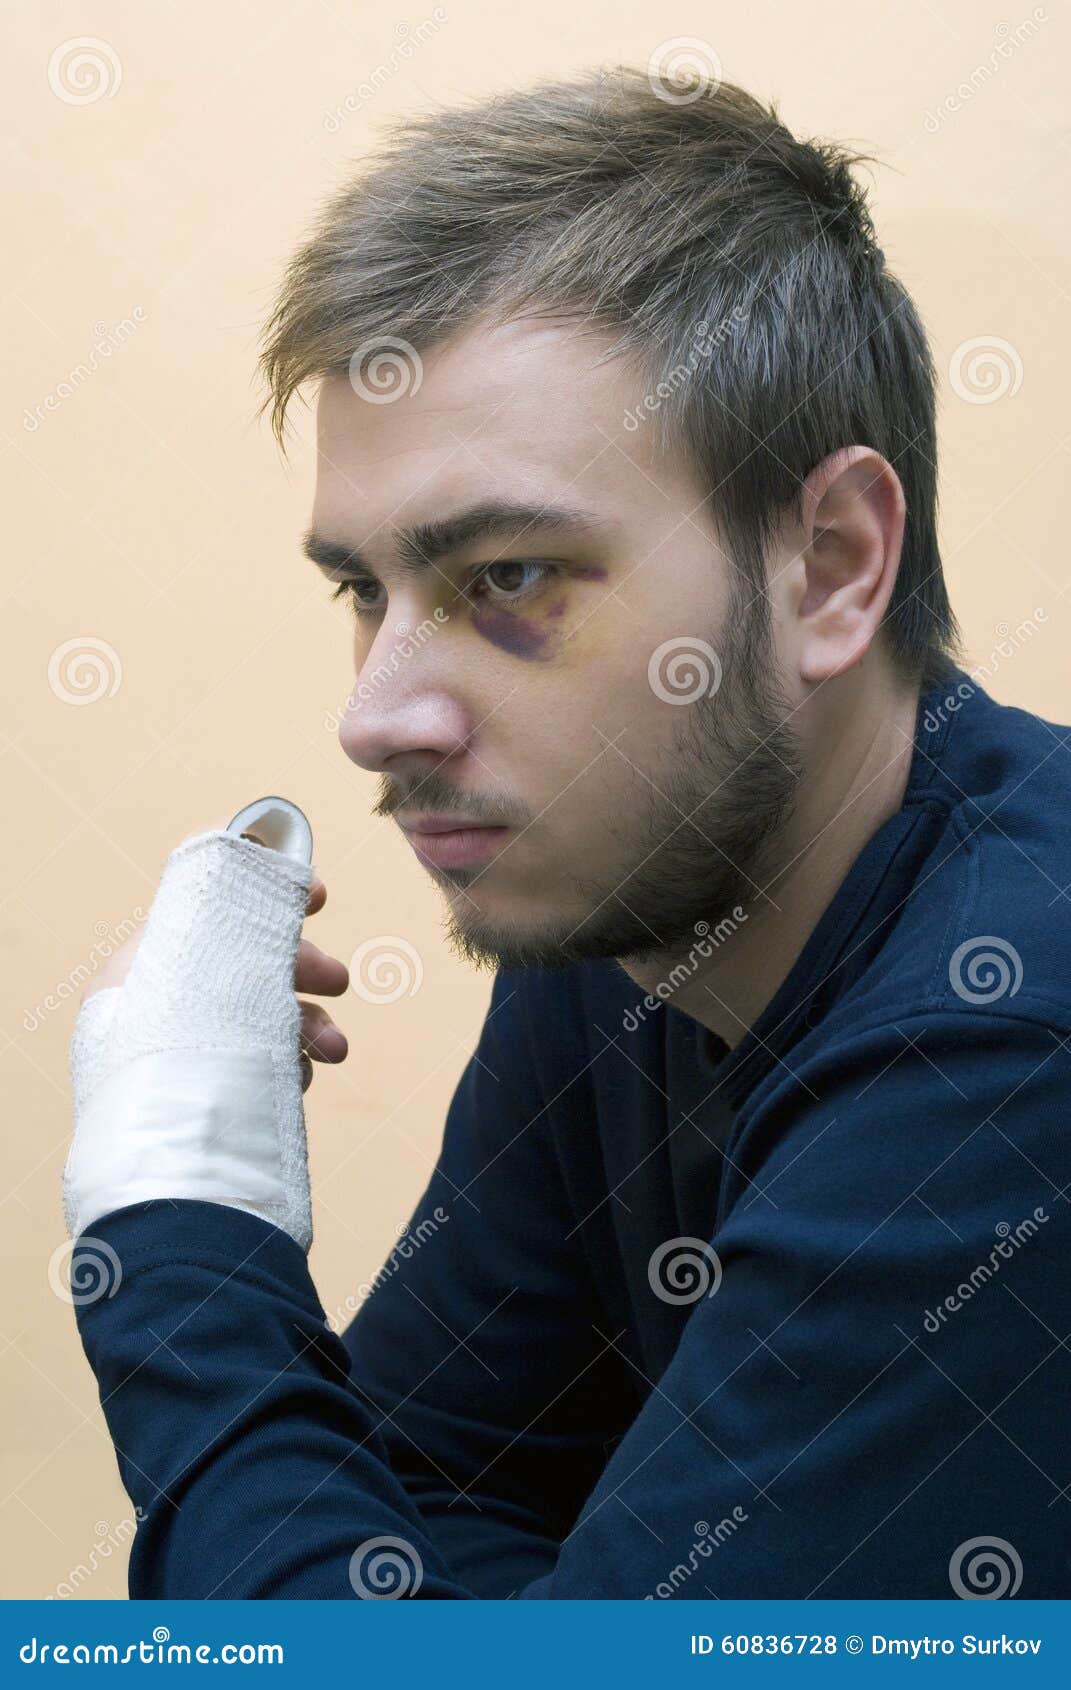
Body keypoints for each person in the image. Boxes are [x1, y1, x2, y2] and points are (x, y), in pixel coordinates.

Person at [65, 66, 1071, 1599]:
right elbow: (418, 1505)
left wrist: (180, 1225)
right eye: (364, 590)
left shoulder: (1011, 1036)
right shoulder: (642, 907)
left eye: (512, 576)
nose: (378, 714)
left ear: (833, 563)